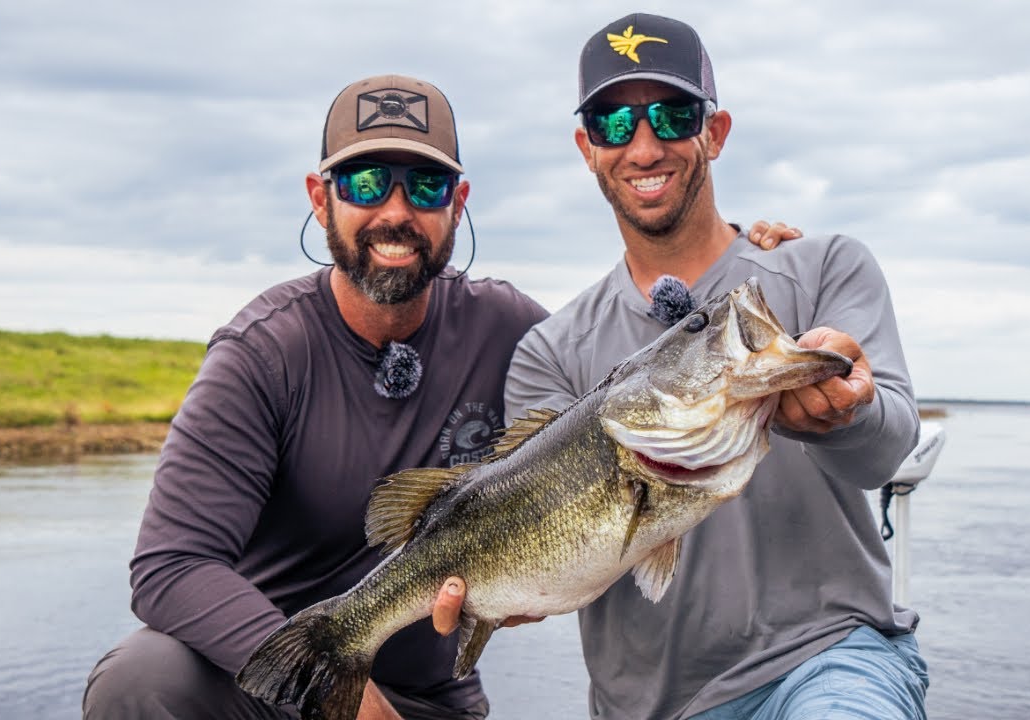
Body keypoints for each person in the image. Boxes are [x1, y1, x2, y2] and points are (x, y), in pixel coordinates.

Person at [82, 72, 798, 720]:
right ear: (318, 196)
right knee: (140, 679)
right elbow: (168, 566)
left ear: (457, 203)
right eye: (365, 183)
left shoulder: (508, 327)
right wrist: (350, 699)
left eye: (424, 187)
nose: (395, 211)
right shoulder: (262, 354)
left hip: (430, 702)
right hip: (267, 685)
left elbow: (638, 384)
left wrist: (741, 255)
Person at [440, 12, 930, 720]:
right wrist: (509, 585)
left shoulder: (823, 268)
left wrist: (848, 412)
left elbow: (882, 457)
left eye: (672, 116)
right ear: (587, 148)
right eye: (613, 124)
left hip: (831, 660)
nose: (644, 146)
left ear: (715, 133)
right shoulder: (550, 353)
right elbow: (559, 549)